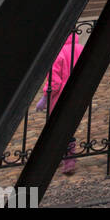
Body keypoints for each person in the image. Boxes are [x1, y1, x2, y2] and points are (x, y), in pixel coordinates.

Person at [36, 32, 84, 175]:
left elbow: (54, 82)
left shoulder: (58, 53)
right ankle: (62, 157)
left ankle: (68, 160)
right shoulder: (80, 48)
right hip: (78, 94)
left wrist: (45, 97)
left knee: (59, 127)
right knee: (68, 125)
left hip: (60, 98)